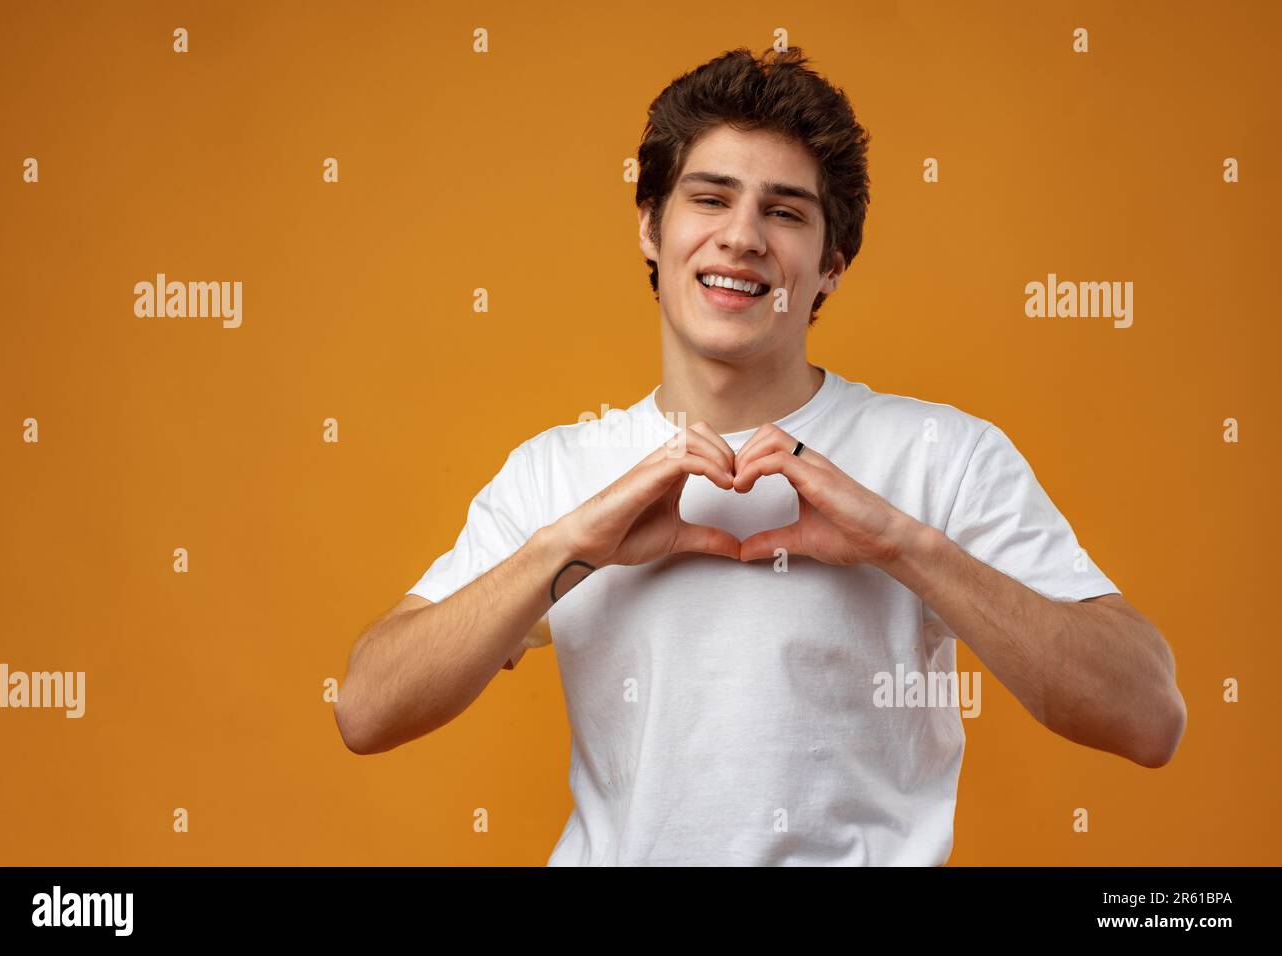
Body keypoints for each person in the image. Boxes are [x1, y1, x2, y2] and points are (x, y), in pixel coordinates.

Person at [334, 47, 1185, 866]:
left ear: (831, 265)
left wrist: (903, 548)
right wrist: (568, 550)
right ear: (649, 229)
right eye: (710, 199)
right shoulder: (556, 472)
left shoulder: (943, 455)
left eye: (784, 211)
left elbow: (1148, 716)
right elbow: (368, 710)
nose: (741, 238)